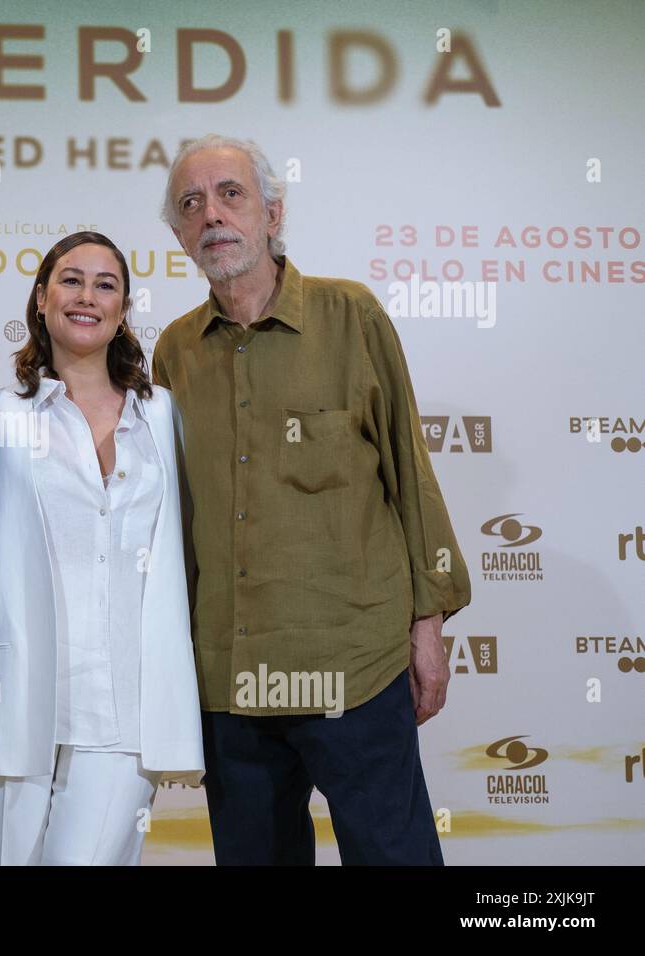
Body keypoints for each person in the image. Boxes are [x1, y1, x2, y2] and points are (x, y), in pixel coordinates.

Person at [152, 134, 471, 865]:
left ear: (273, 210)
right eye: (191, 204)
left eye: (230, 194)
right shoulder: (173, 351)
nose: (213, 216)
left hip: (354, 668)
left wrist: (428, 628)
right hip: (229, 682)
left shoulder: (351, 316)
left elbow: (411, 478)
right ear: (177, 232)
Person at [0, 231, 204, 866]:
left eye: (105, 284)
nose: (86, 296)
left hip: (125, 706)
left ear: (123, 308)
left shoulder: (163, 414)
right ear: (40, 299)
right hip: (12, 694)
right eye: (70, 280)